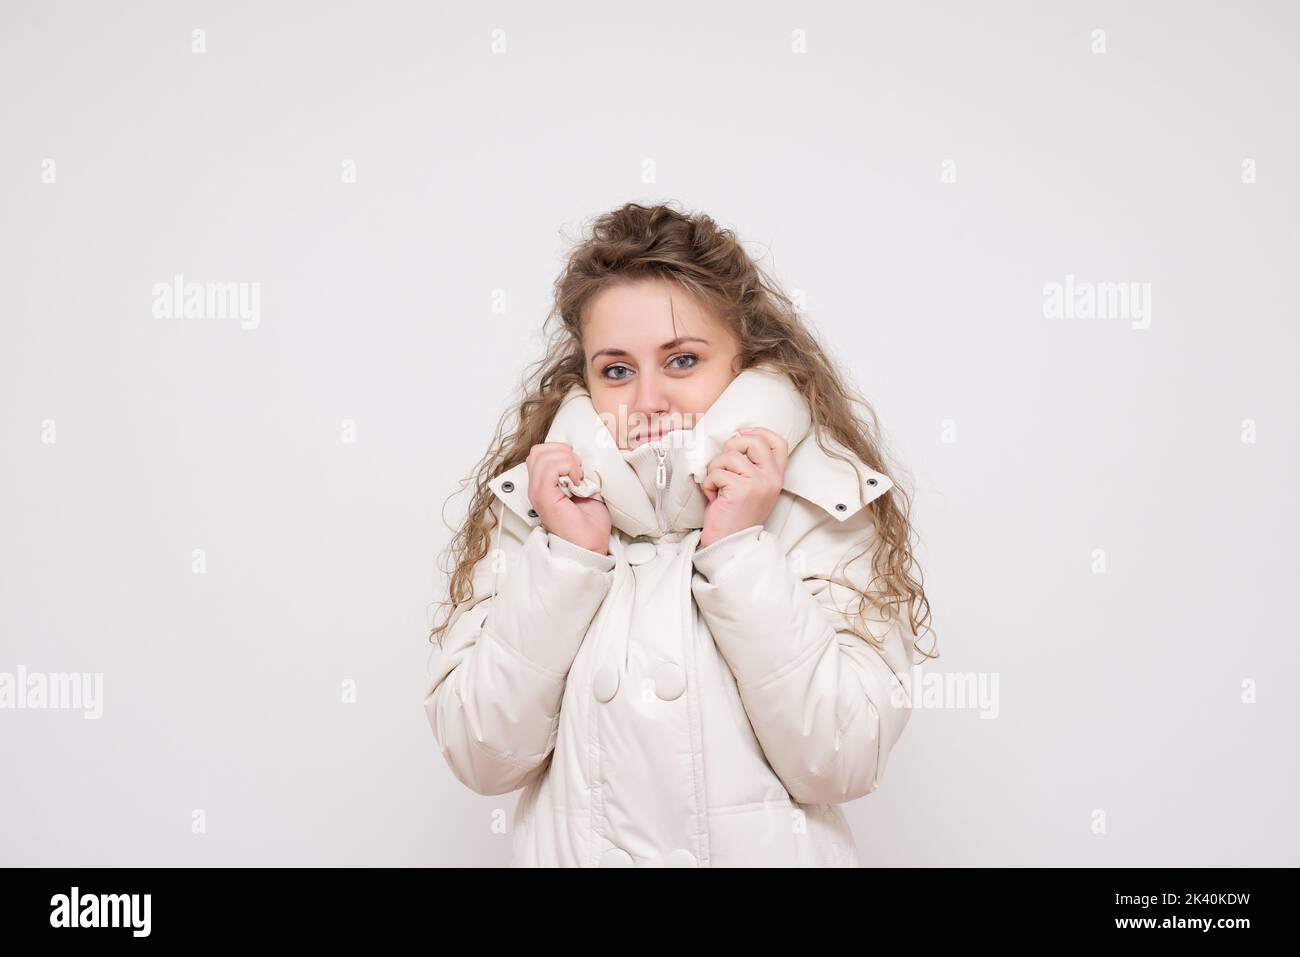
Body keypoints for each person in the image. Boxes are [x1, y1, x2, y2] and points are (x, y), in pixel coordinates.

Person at [424, 201, 936, 867]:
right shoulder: (534, 513)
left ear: (745, 360)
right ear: (583, 377)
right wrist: (569, 558)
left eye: (683, 360)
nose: (647, 402)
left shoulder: (820, 500)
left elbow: (842, 758)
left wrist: (738, 547)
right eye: (616, 369)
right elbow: (481, 753)